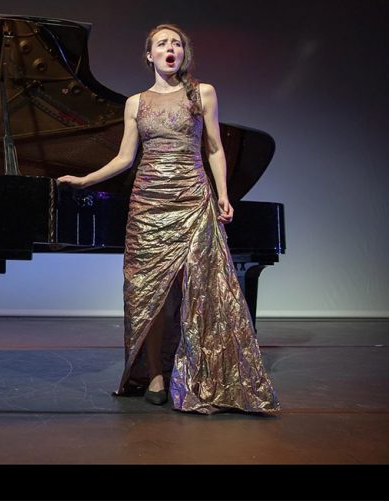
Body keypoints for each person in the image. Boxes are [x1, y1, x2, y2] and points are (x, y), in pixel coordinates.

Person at [58, 25, 279, 414]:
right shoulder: (135, 103)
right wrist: (86, 179)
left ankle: (200, 372)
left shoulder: (202, 93)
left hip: (193, 198)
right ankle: (156, 373)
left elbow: (213, 148)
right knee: (150, 295)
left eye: (176, 43)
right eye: (162, 44)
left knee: (203, 288)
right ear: (150, 55)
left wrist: (224, 193)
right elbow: (126, 158)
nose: (170, 48)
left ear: (183, 53)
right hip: (148, 203)